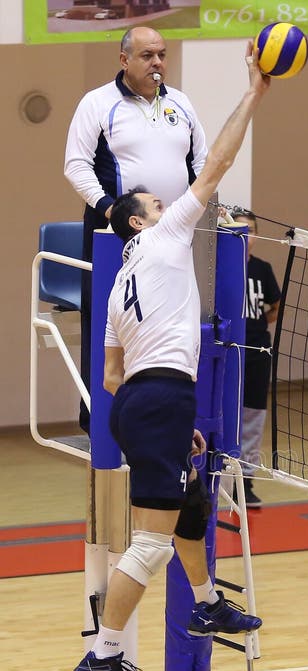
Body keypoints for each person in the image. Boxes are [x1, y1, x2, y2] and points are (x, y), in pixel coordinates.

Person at [72, 42, 270, 671]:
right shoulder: (163, 239)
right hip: (157, 398)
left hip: (141, 401)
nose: (173, 205)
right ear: (138, 220)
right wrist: (255, 94)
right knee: (151, 540)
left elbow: (110, 371)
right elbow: (215, 165)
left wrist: (166, 415)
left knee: (187, 506)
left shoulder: (121, 274)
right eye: (158, 203)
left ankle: (208, 604)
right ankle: (101, 658)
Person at [65, 26, 208, 434]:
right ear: (124, 59)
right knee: (109, 327)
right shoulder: (97, 103)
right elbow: (76, 165)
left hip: (174, 240)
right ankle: (101, 422)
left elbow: (201, 162)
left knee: (172, 324)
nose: (158, 63)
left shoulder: (181, 103)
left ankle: (170, 415)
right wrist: (110, 210)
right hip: (115, 240)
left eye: (162, 54)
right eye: (147, 55)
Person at [230, 208, 281, 508]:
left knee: (252, 418)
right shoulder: (220, 266)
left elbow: (275, 306)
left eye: (250, 232)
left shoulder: (262, 269)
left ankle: (244, 483)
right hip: (228, 351)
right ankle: (212, 478)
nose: (245, 237)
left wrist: (258, 324)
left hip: (258, 352)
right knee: (224, 414)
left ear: (256, 236)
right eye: (240, 231)